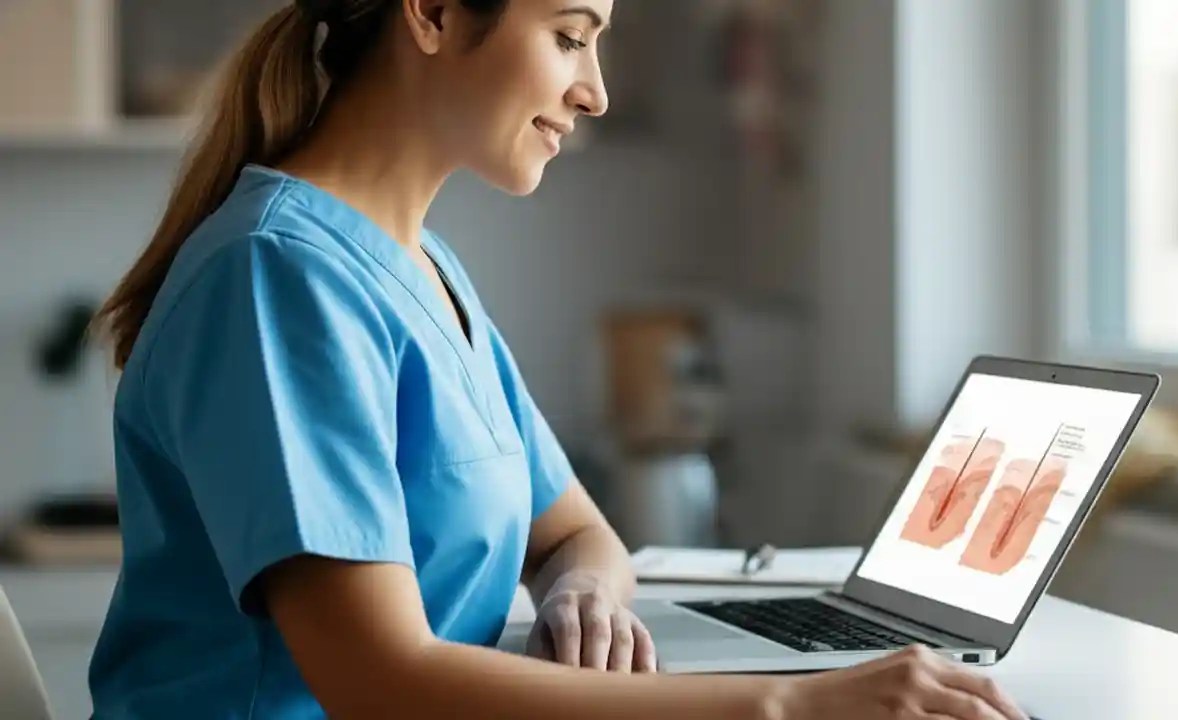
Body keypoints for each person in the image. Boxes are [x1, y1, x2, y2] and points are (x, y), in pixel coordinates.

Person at [86, 1, 1028, 718]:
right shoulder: (278, 276)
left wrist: (580, 594)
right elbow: (380, 682)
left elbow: (581, 536)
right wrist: (790, 704)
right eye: (571, 36)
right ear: (433, 12)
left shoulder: (425, 269)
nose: (595, 89)